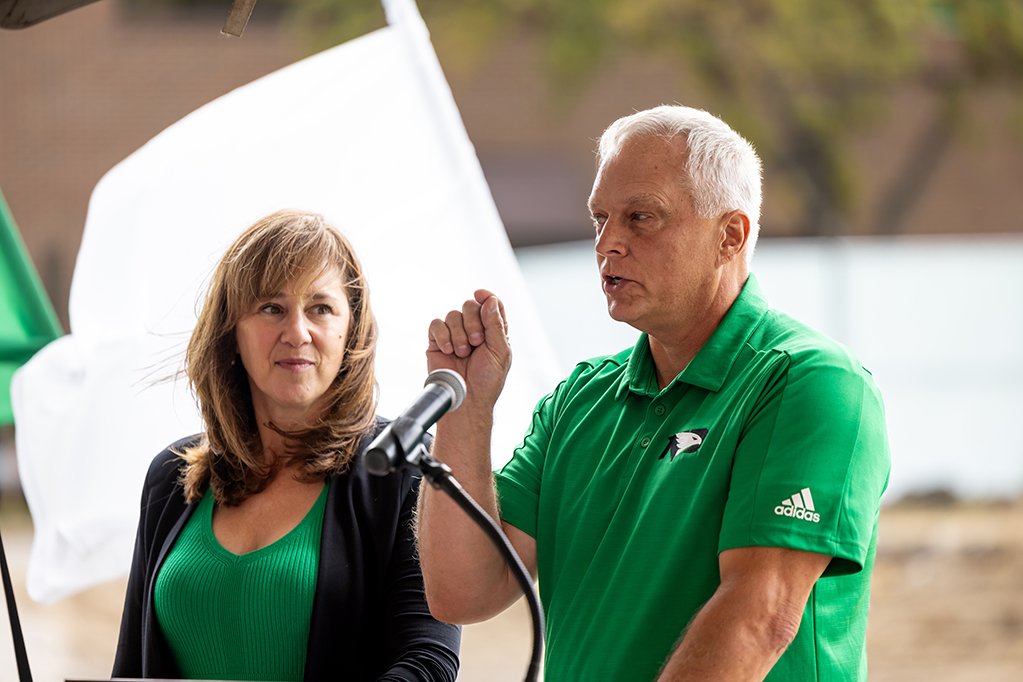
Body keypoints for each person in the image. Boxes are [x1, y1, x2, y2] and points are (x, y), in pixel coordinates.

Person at [416, 105, 890, 681]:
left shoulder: (810, 381)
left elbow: (759, 619)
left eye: (640, 217)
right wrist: (466, 411)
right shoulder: (579, 401)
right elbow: (462, 594)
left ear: (730, 236)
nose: (607, 243)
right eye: (600, 218)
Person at [113, 210, 460, 681]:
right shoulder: (170, 477)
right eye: (271, 308)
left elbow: (428, 662)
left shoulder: (405, 466)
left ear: (351, 331)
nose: (297, 332)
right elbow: (130, 668)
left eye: (321, 308)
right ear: (232, 333)